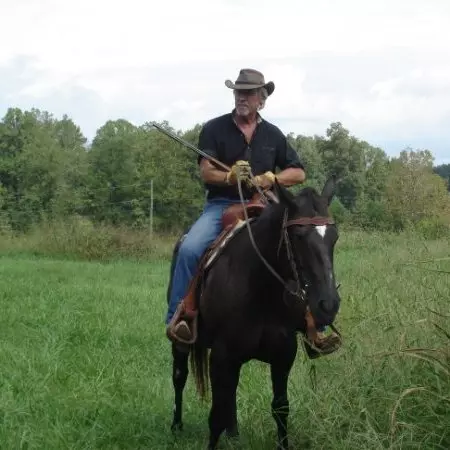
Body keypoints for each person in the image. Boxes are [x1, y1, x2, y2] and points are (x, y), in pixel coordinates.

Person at [165, 68, 339, 353]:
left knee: (301, 248)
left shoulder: (273, 134)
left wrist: (273, 178)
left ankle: (314, 327)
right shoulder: (213, 129)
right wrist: (229, 177)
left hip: (266, 204)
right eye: (238, 92)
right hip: (222, 205)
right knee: (189, 248)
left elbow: (298, 173)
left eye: (248, 93)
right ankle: (181, 316)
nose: (242, 97)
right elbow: (207, 172)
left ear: (262, 99)